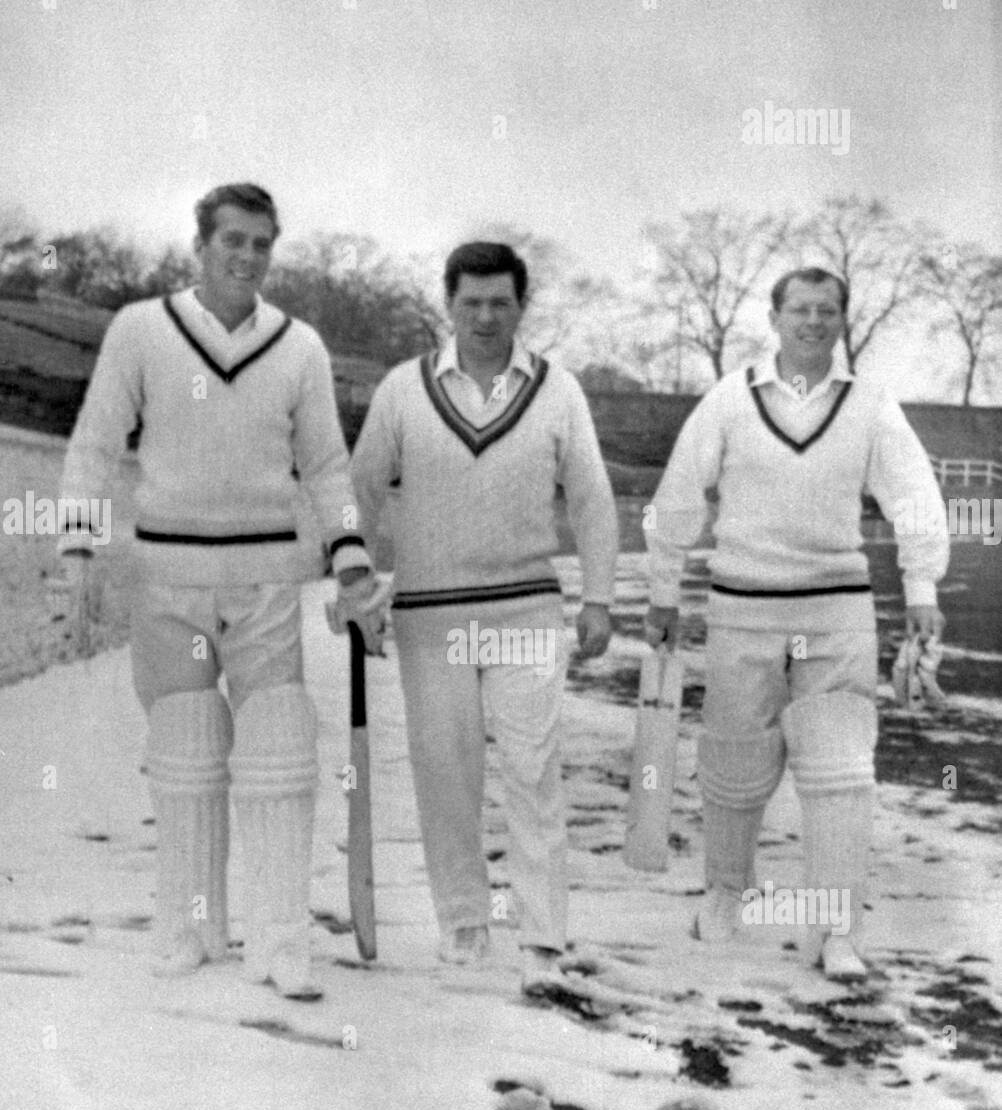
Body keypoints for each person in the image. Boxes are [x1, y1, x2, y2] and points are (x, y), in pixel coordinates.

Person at [56, 183, 386, 1000]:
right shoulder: (140, 329)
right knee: (186, 750)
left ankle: (279, 940)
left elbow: (327, 466)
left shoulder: (298, 345)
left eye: (261, 244)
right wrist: (80, 549)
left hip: (268, 573)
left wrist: (349, 557)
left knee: (277, 750)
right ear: (198, 246)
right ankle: (190, 927)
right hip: (170, 573)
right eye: (231, 241)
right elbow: (96, 443)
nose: (246, 257)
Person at [643, 266, 949, 980]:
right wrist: (663, 586)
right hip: (743, 605)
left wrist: (924, 584)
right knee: (733, 764)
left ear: (842, 319)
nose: (814, 322)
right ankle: (726, 891)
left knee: (841, 772)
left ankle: (835, 932)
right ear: (775, 318)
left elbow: (914, 494)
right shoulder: (732, 398)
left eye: (828, 310)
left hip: (836, 607)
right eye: (801, 310)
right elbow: (681, 491)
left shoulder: (869, 402)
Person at [351, 241, 619, 992]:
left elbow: (593, 500)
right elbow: (361, 491)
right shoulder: (404, 389)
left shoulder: (558, 390)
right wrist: (355, 586)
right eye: (471, 302)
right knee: (447, 774)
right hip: (430, 613)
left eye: (501, 302)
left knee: (533, 771)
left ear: (520, 306)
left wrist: (599, 597)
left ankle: (543, 933)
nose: (486, 316)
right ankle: (464, 926)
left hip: (525, 608)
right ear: (449, 304)